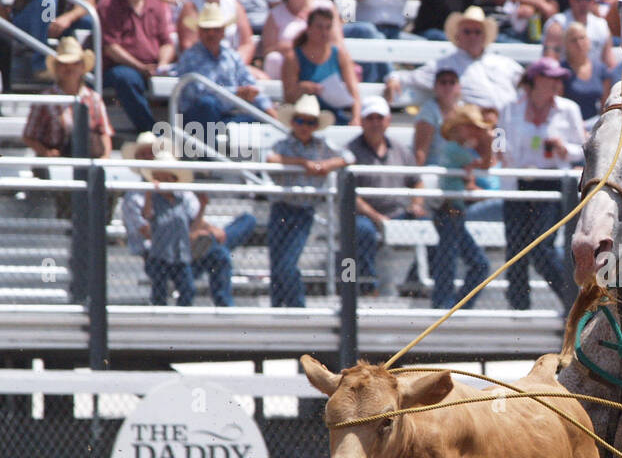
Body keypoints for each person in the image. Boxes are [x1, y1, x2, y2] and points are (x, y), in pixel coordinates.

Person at [119, 131, 255, 306]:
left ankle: (225, 307)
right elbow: (148, 231)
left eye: (151, 152)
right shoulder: (134, 197)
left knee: (224, 246)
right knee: (213, 253)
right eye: (143, 154)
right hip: (159, 253)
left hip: (185, 248)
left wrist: (208, 230)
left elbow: (193, 218)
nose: (148, 157)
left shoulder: (180, 192)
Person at [498, 57, 582, 310]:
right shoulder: (510, 107)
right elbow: (499, 139)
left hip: (551, 182)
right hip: (519, 182)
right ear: (535, 80)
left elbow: (583, 149)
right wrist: (501, 153)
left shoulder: (568, 109)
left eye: (558, 78)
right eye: (551, 77)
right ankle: (518, 307)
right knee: (515, 248)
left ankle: (573, 301)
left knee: (541, 248)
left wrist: (563, 148)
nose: (557, 83)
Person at [266, 95, 349, 307]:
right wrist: (305, 163)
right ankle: (280, 308)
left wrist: (324, 165)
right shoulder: (282, 144)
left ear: (316, 126)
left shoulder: (323, 146)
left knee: (286, 263)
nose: (305, 126)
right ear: (293, 122)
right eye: (301, 121)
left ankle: (296, 307)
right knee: (278, 264)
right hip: (281, 208)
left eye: (310, 122)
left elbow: (347, 157)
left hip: (303, 211)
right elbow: (270, 158)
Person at [346, 95, 425, 295]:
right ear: (362, 121)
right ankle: (368, 287)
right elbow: (348, 193)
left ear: (388, 121)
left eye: (379, 118)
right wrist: (376, 216)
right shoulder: (350, 151)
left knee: (431, 226)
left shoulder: (401, 150)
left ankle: (415, 282)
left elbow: (417, 181)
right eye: (370, 118)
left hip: (398, 212)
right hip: (362, 215)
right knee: (362, 231)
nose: (375, 123)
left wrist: (416, 204)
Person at [388, 4, 524, 114]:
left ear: (484, 36)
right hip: (477, 128)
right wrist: (393, 78)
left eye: (478, 32)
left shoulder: (503, 63)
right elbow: (408, 77)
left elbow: (528, 82)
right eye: (467, 32)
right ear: (458, 36)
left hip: (510, 123)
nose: (472, 36)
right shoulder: (445, 65)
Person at [428, 102, 496, 309]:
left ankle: (452, 305)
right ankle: (448, 305)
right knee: (451, 260)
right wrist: (488, 142)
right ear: (459, 127)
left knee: (457, 260)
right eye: (469, 125)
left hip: (453, 212)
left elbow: (477, 170)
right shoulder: (456, 150)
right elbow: (484, 165)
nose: (473, 131)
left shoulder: (456, 150)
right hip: (450, 212)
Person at [100, 0, 176, 133]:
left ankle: (187, 137)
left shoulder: (156, 5)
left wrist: (162, 65)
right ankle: (153, 133)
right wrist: (140, 67)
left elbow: (167, 42)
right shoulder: (108, 3)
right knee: (126, 78)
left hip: (153, 68)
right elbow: (110, 48)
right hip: (119, 67)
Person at [174, 1, 272, 128]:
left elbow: (249, 83)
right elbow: (198, 93)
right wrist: (235, 94)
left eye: (216, 29)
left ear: (223, 32)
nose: (211, 34)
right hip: (196, 119)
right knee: (207, 104)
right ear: (199, 32)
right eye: (206, 30)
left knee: (260, 118)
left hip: (226, 116)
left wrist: (269, 110)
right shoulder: (190, 57)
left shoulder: (232, 56)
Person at [22, 36, 112, 160]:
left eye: (75, 63)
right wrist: (46, 152)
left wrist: (105, 157)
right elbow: (29, 136)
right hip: (54, 164)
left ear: (82, 67)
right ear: (57, 68)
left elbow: (104, 133)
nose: (69, 68)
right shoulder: (45, 99)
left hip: (89, 162)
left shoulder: (94, 98)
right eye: (64, 63)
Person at [283, 4, 362, 125]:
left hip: (334, 115)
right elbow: (288, 98)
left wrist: (356, 117)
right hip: (304, 118)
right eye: (319, 27)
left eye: (328, 27)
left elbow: (353, 90)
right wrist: (302, 88)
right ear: (308, 28)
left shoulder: (340, 54)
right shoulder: (293, 57)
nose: (324, 32)